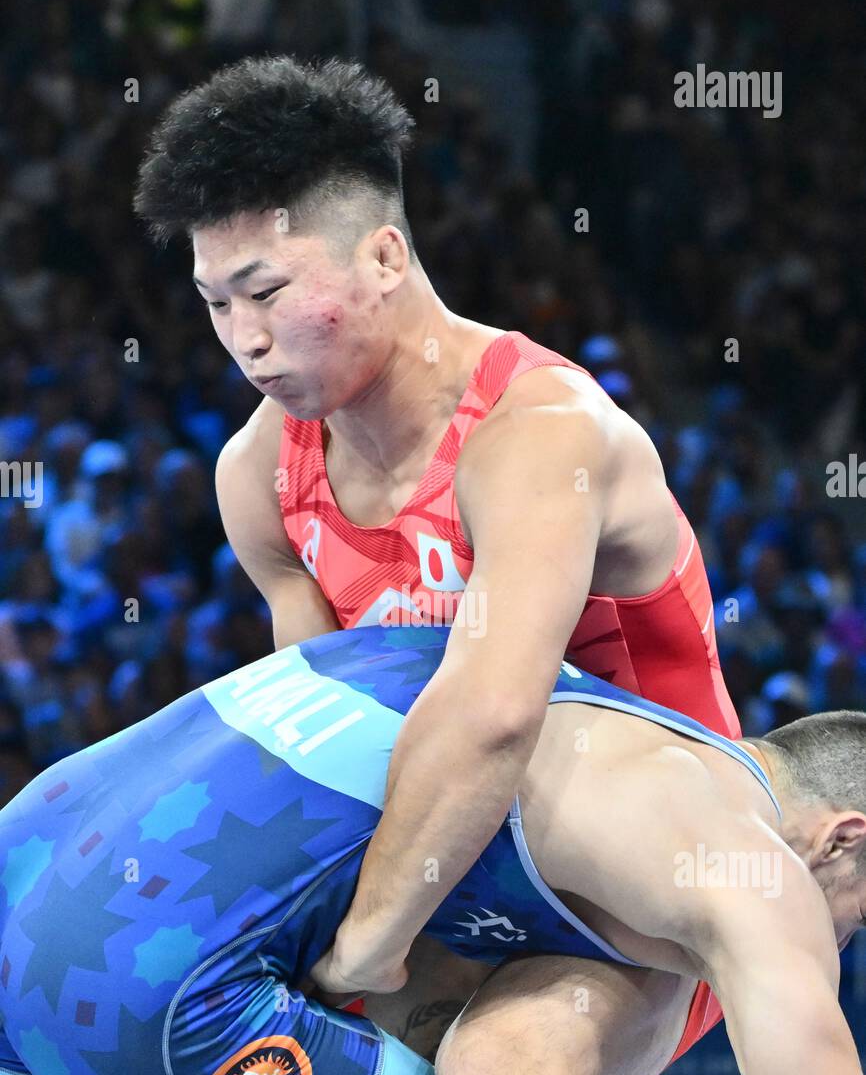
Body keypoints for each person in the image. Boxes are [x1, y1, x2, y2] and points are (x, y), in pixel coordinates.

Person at [132, 53, 739, 998]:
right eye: (217, 304)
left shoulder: (540, 433)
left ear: (384, 256)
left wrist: (367, 950)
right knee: (139, 997)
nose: (244, 339)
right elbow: (328, 743)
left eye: (268, 293)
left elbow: (496, 718)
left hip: (664, 893)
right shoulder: (258, 475)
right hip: (455, 883)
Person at [1, 624, 864, 1075]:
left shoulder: (528, 684)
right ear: (844, 839)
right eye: (861, 913)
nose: (845, 935)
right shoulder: (742, 860)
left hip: (36, 856)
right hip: (158, 977)